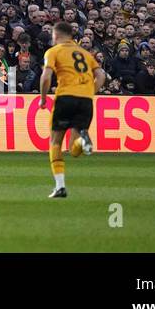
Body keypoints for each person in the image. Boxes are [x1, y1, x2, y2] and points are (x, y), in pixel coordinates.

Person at [39, 20, 105, 199]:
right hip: (85, 101)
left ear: (57, 35)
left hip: (65, 98)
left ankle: (60, 187)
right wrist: (91, 91)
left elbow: (46, 77)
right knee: (73, 150)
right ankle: (82, 141)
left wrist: (43, 98)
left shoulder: (54, 51)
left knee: (55, 142)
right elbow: (101, 74)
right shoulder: (85, 53)